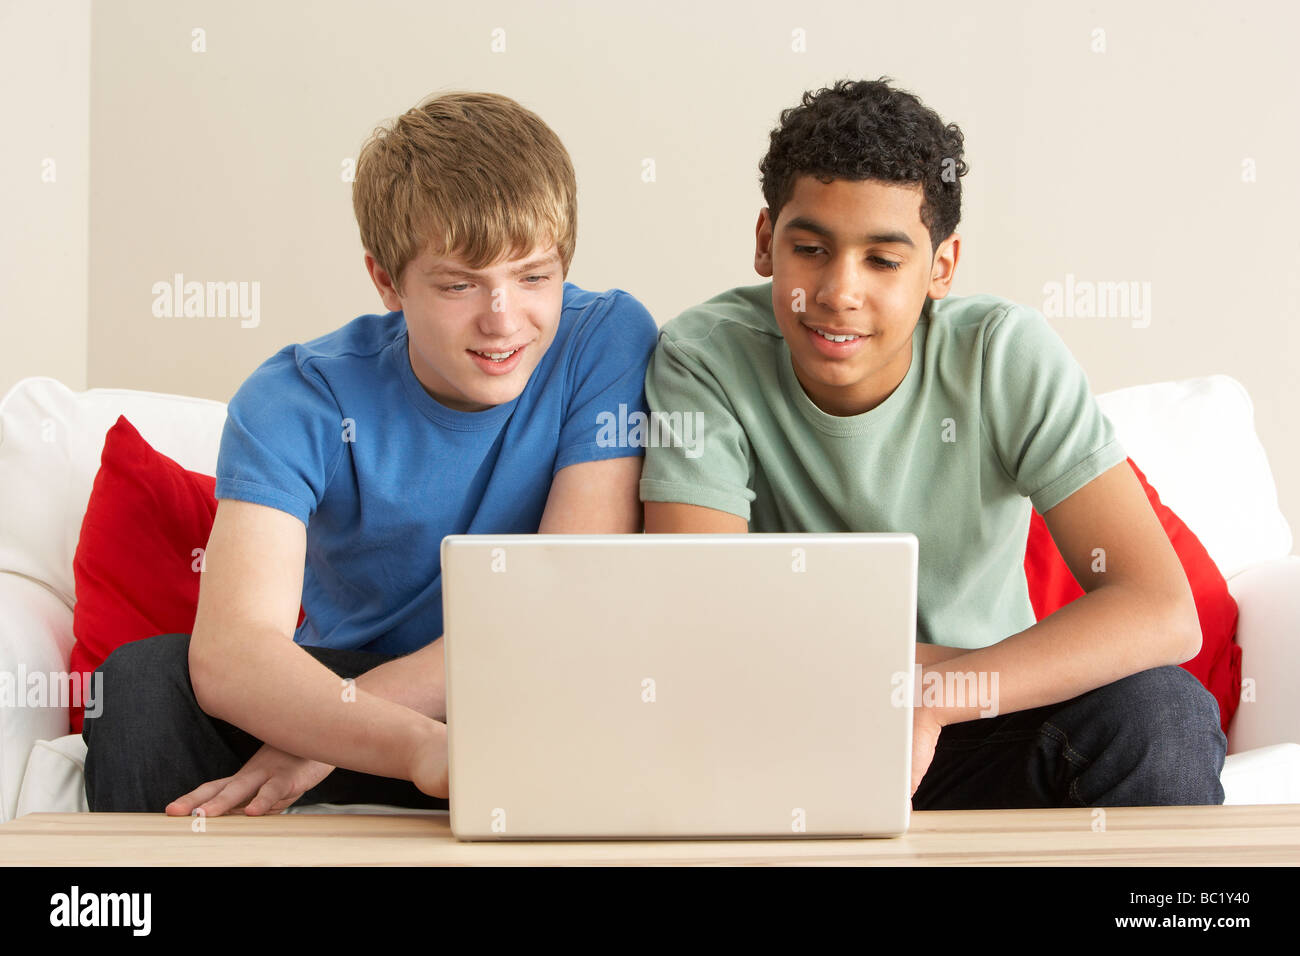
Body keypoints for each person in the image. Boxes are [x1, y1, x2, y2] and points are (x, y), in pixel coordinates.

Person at [639, 77, 1226, 809]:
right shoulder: (705, 356)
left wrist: (939, 694)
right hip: (791, 720)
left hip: (986, 719)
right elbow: (697, 620)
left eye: (883, 261)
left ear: (940, 268)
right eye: (812, 249)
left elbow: (1161, 609)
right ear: (766, 243)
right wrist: (911, 676)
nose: (839, 292)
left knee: (1161, 713)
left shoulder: (1002, 355)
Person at [83, 91, 658, 814]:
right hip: (350, 702)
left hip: (524, 678)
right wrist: (413, 746)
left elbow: (555, 606)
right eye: (459, 284)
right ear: (386, 281)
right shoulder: (297, 396)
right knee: (138, 687)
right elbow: (231, 655)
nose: (504, 319)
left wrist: (311, 743)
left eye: (535, 277)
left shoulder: (606, 339)